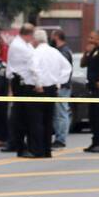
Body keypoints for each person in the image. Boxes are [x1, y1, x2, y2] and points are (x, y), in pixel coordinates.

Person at [29, 29, 69, 159]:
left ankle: (38, 150)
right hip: (52, 89)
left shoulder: (36, 53)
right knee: (48, 120)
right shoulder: (55, 52)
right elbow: (67, 68)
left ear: (35, 40)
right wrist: (58, 82)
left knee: (37, 121)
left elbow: (33, 69)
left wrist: (38, 84)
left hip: (40, 90)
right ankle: (47, 150)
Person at [5, 23, 37, 154]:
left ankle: (20, 144)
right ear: (28, 34)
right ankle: (19, 145)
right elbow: (33, 63)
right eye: (32, 35)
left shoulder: (25, 44)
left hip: (23, 82)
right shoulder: (19, 46)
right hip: (21, 83)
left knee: (23, 115)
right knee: (22, 116)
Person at [51, 30, 74, 148]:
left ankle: (61, 139)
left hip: (62, 86)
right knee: (59, 113)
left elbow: (63, 70)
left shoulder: (63, 52)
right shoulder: (63, 50)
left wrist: (58, 84)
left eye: (52, 36)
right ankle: (59, 137)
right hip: (62, 86)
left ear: (56, 37)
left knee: (61, 113)